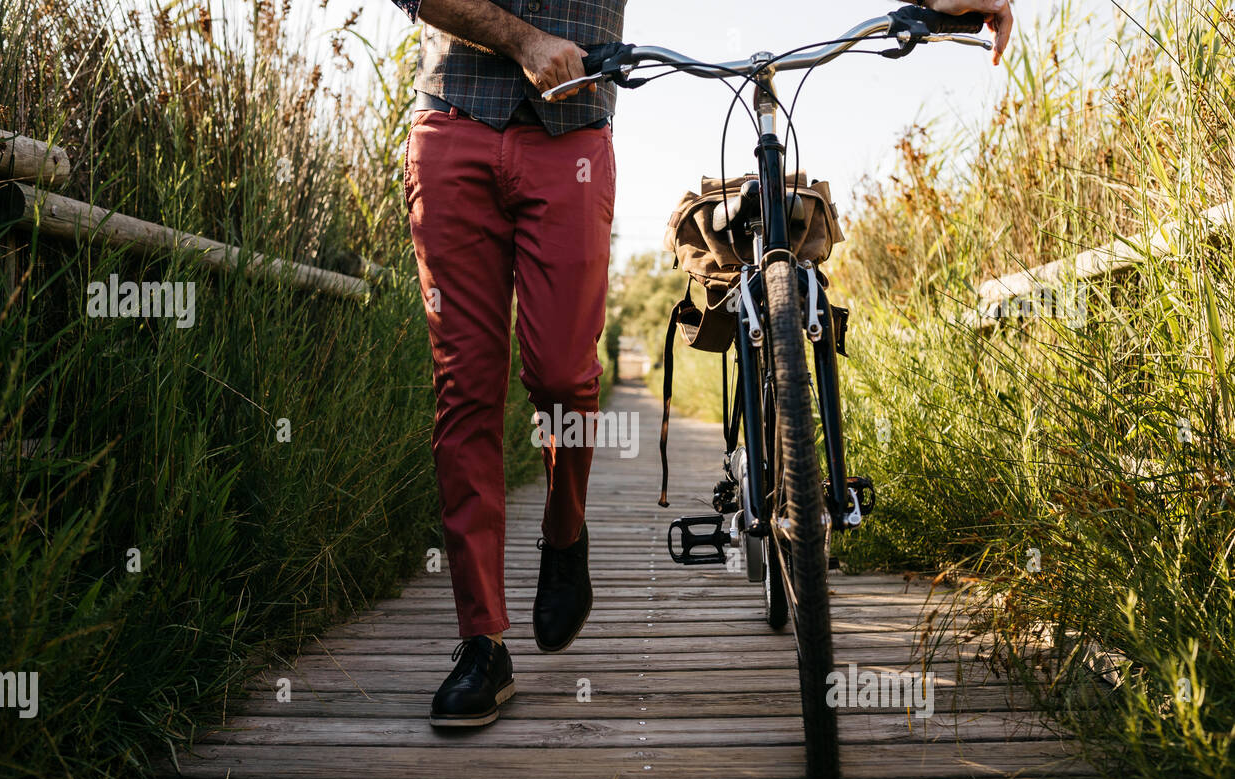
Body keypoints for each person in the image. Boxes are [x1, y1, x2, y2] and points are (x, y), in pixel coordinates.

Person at [389, 0, 1013, 728]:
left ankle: (565, 535)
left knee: (562, 378)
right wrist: (524, 40)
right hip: (451, 127)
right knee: (465, 389)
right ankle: (481, 642)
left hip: (570, 142)